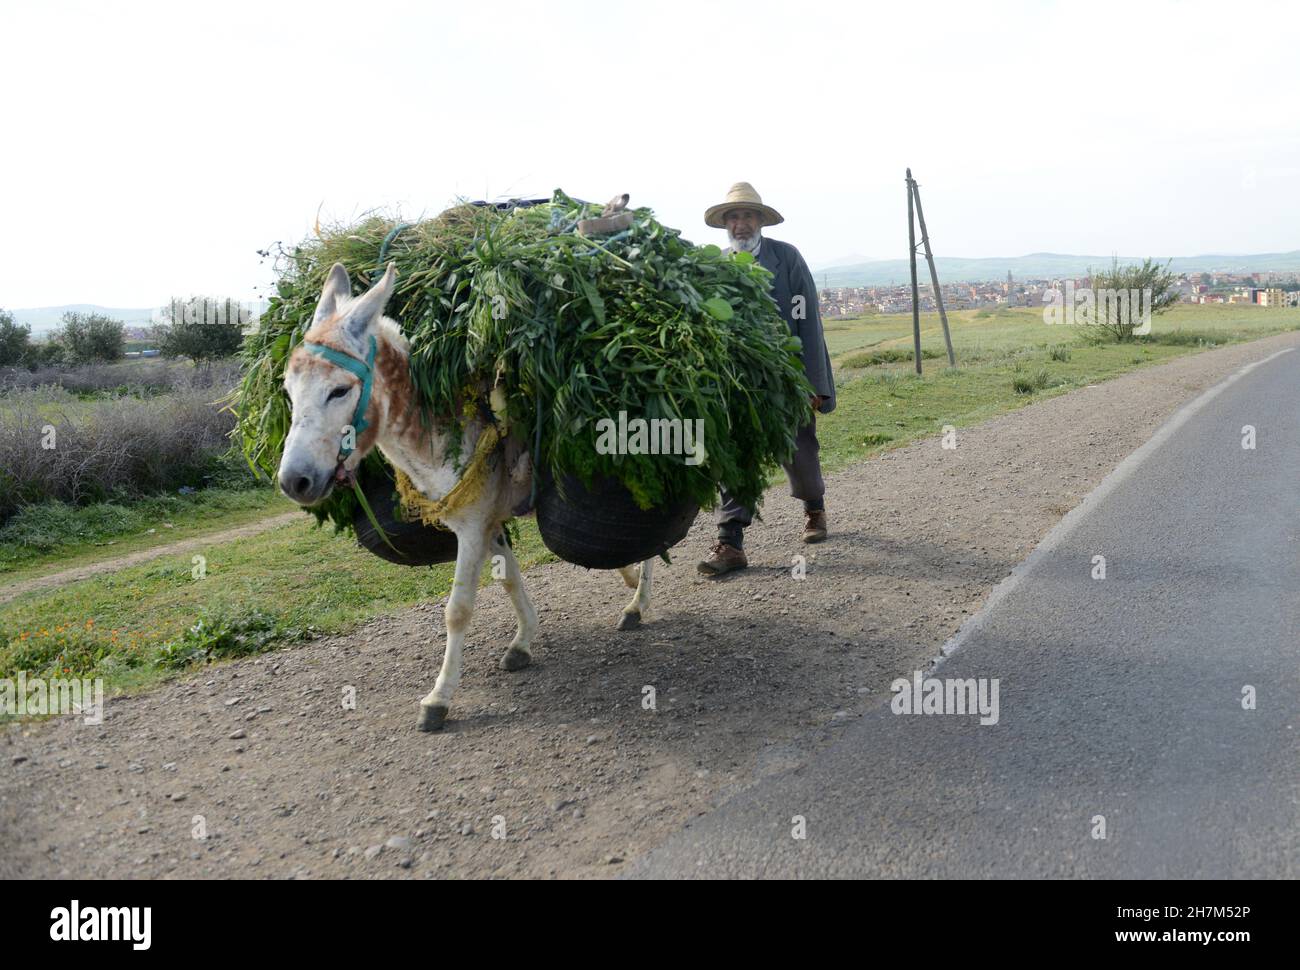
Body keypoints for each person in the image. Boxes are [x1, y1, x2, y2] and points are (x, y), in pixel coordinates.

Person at [697, 182, 835, 577]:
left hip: (788, 376)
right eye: (733, 217)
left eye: (747, 216)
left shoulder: (786, 259)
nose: (740, 224)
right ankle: (731, 542)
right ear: (725, 224)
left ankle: (814, 509)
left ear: (760, 221)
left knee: (799, 450)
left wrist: (814, 382)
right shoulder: (719, 265)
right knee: (736, 456)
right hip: (738, 383)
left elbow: (808, 321)